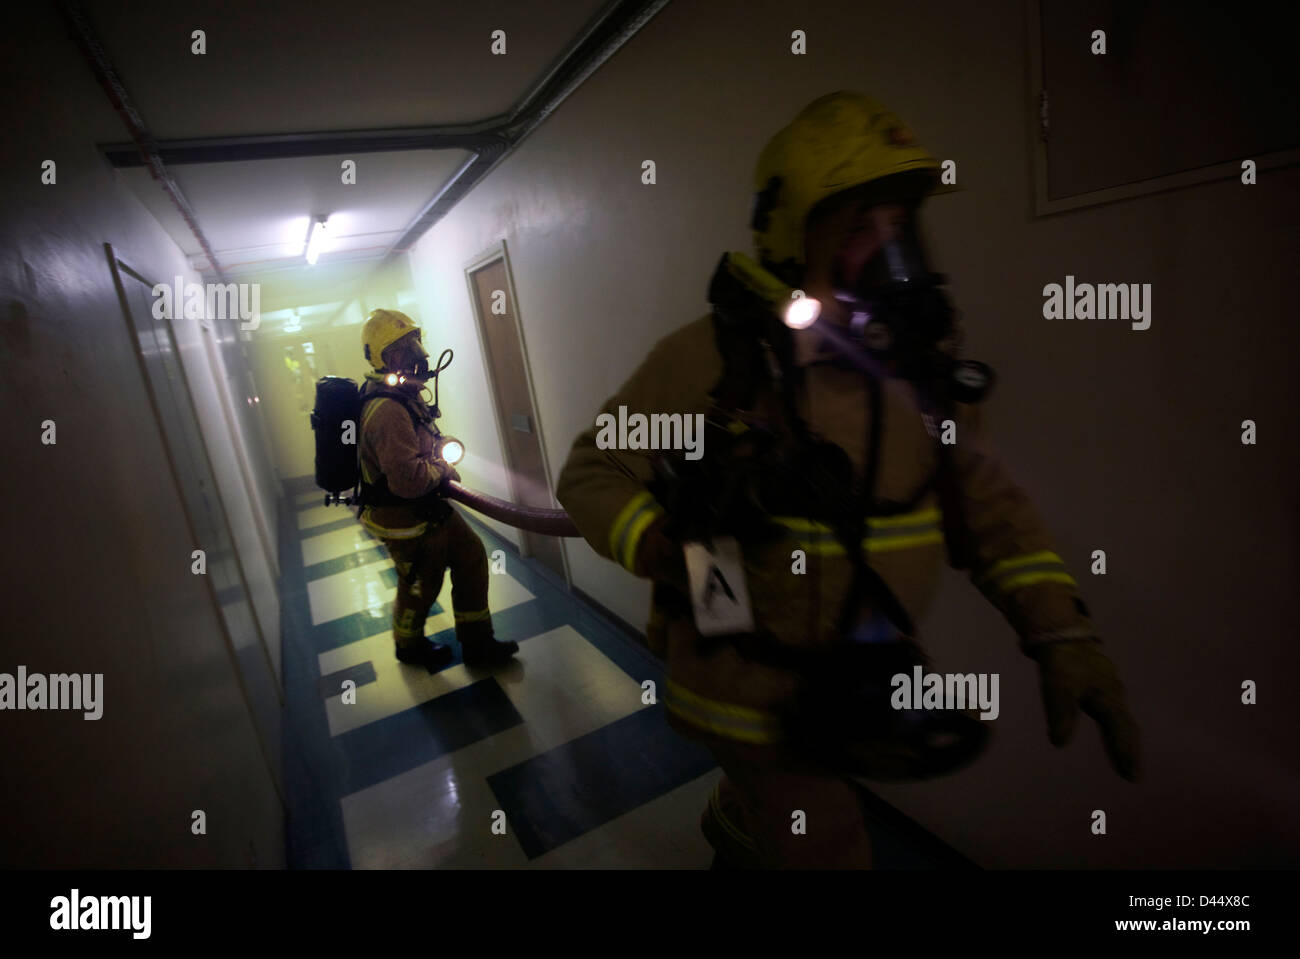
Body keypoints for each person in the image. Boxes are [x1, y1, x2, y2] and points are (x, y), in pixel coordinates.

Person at [555, 92, 1140, 868]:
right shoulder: (711, 360)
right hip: (743, 681)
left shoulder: (918, 375)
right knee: (830, 847)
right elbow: (594, 468)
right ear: (799, 236)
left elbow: (991, 513)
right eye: (860, 228)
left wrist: (1062, 631)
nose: (888, 250)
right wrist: (658, 540)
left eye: (900, 225)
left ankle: (741, 829)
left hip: (855, 679)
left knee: (788, 820)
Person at [358, 308, 518, 669]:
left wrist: (438, 448)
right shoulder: (386, 409)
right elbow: (407, 479)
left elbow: (419, 442)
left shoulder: (403, 395)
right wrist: (443, 468)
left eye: (415, 342)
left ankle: (478, 644)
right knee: (421, 585)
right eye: (401, 349)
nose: (417, 355)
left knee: (471, 556)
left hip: (429, 506)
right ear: (382, 359)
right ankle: (408, 645)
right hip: (404, 517)